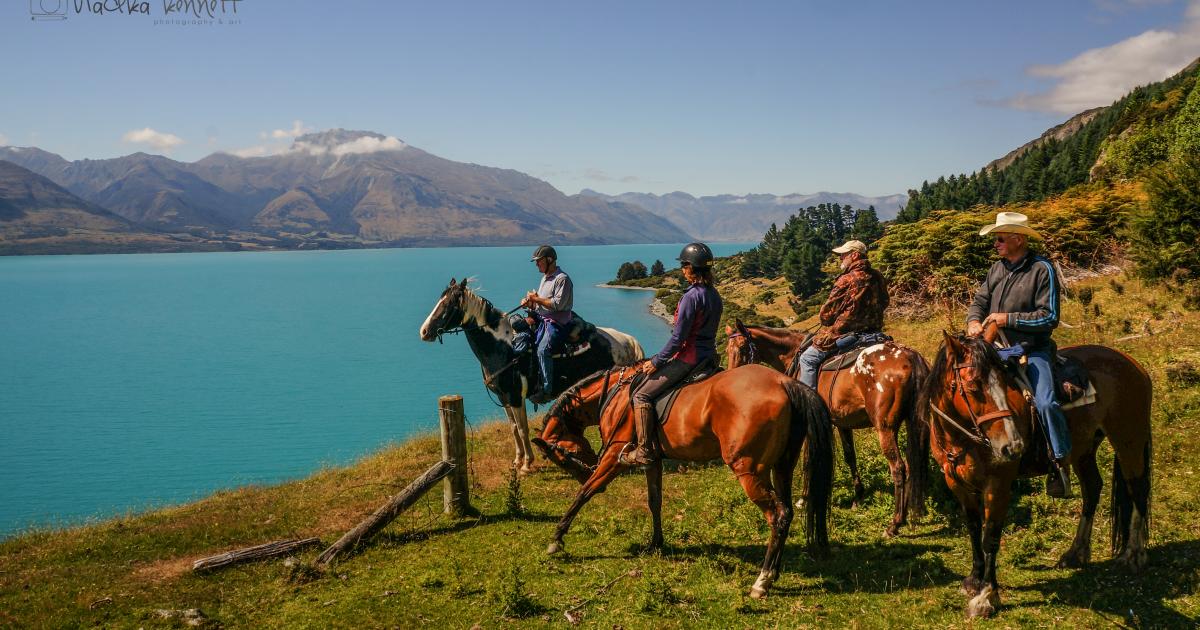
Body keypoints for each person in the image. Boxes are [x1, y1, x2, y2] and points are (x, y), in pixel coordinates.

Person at [966, 212, 1072, 498]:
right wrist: (974, 321)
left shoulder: (1042, 269)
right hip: (995, 348)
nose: (996, 243)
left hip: (1032, 350)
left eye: (1000, 238)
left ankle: (1060, 464)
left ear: (1019, 239)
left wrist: (1006, 320)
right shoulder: (996, 269)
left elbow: (1048, 318)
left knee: (1046, 402)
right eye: (995, 238)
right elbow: (979, 302)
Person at [620, 242, 723, 466]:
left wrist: (656, 361)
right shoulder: (714, 295)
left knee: (641, 395)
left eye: (684, 265)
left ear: (692, 268)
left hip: (689, 358)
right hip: (708, 357)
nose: (682, 269)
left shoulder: (691, 297)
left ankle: (644, 450)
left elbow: (678, 339)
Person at [796, 239, 889, 389]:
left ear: (855, 255)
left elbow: (826, 315)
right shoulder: (878, 276)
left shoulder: (846, 279)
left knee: (807, 358)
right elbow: (885, 302)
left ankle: (809, 402)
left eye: (844, 254)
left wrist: (830, 319)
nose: (840, 258)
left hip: (846, 334)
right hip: (874, 332)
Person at [513, 245, 573, 404]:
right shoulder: (545, 278)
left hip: (557, 322)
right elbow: (541, 305)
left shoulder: (562, 279)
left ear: (549, 260)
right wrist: (530, 304)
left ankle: (547, 390)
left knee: (542, 349)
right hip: (542, 319)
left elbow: (557, 305)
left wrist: (535, 298)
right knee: (516, 328)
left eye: (539, 261)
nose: (536, 264)